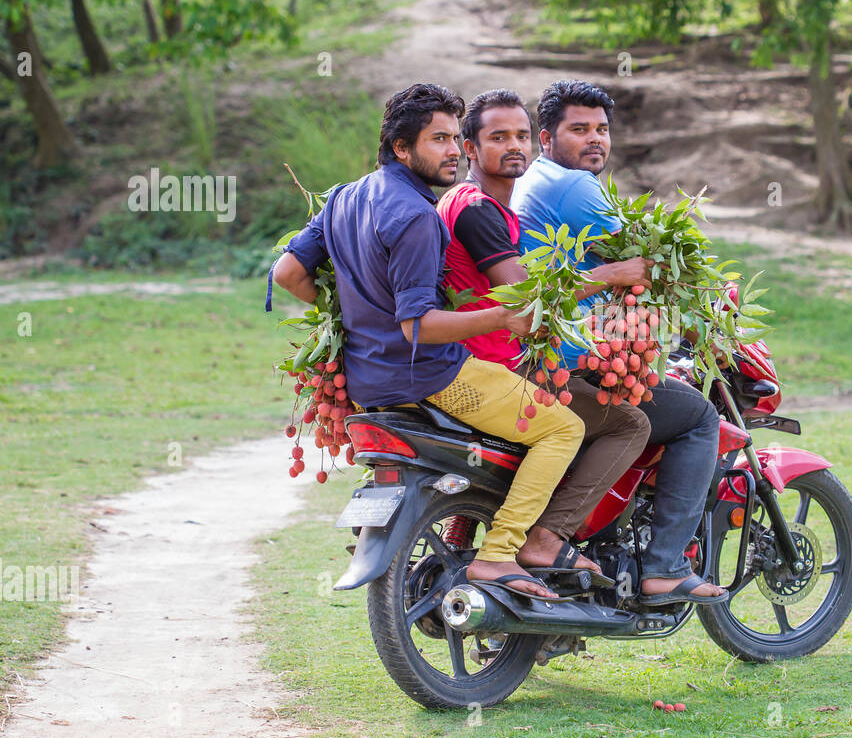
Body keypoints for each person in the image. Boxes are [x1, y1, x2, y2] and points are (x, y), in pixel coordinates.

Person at [270, 82, 580, 602]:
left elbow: (287, 271)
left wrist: (360, 320)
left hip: (369, 382)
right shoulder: (417, 216)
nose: (454, 151)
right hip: (436, 378)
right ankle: (502, 552)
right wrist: (502, 315)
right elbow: (419, 327)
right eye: (439, 139)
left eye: (457, 139)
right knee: (562, 430)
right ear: (401, 147)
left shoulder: (346, 196)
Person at [509, 79, 726, 605]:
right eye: (579, 129)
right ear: (546, 137)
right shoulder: (574, 187)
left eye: (602, 130)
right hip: (570, 361)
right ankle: (665, 567)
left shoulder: (533, 181)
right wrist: (703, 320)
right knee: (698, 418)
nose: (595, 140)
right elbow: (648, 261)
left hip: (554, 353)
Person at [437, 88, 653, 576]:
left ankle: (468, 527)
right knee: (624, 423)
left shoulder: (484, 204)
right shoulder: (478, 210)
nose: (514, 146)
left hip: (496, 359)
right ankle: (545, 539)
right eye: (498, 137)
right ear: (469, 148)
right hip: (496, 365)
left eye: (518, 136)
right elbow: (528, 297)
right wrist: (615, 274)